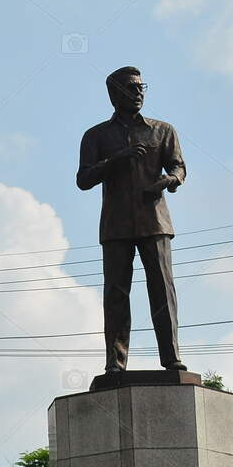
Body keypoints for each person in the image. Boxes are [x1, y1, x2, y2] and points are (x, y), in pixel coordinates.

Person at [76, 66, 187, 373]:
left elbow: (178, 167)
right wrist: (115, 160)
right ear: (114, 95)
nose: (138, 92)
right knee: (115, 294)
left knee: (163, 290)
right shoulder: (96, 136)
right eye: (131, 88)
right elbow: (83, 179)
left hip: (155, 221)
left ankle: (172, 358)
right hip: (116, 224)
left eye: (141, 87)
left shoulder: (162, 130)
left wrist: (169, 180)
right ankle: (115, 362)